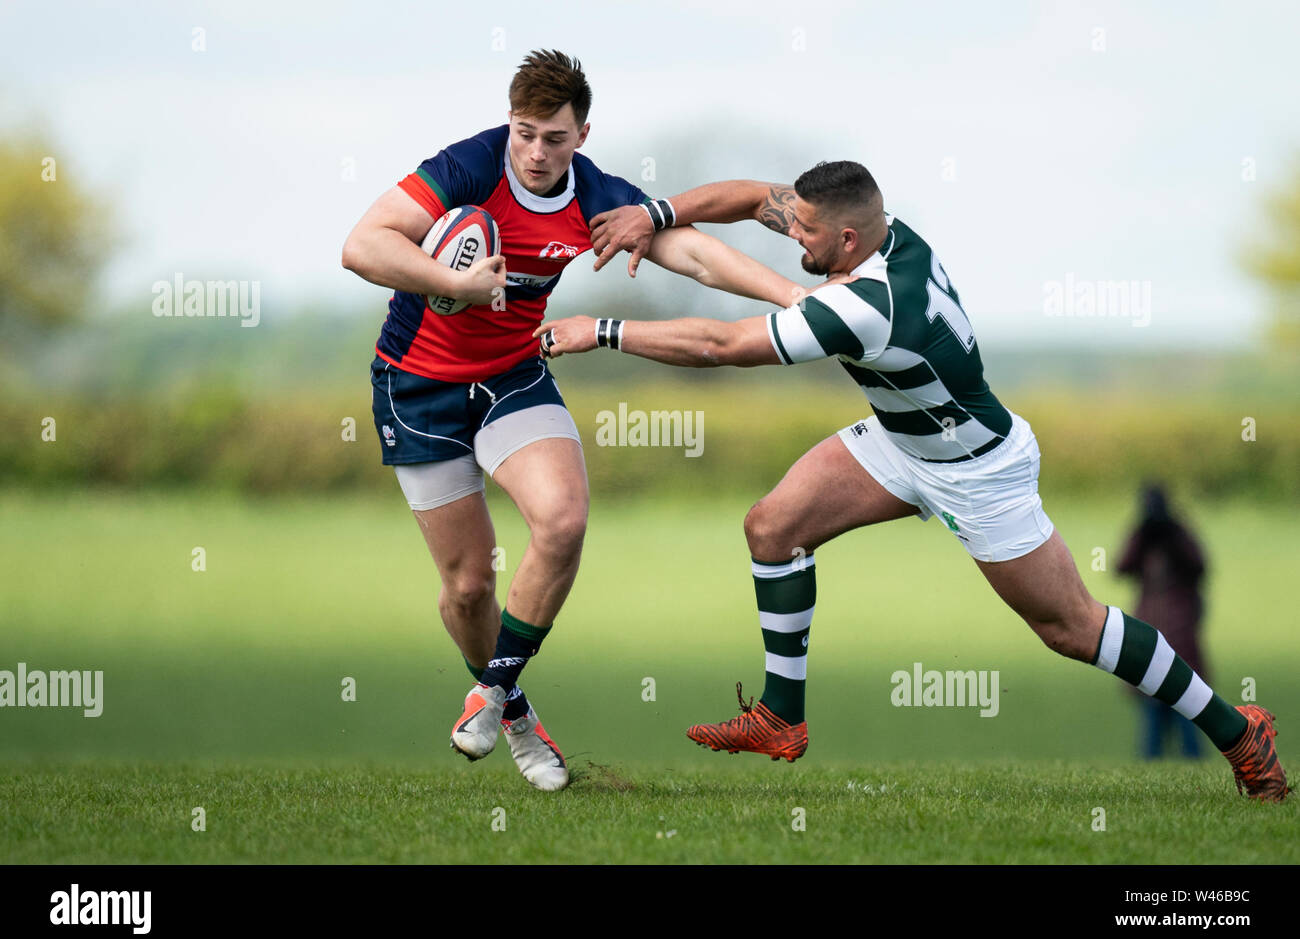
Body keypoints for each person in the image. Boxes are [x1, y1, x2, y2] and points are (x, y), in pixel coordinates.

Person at [537, 161, 1289, 801]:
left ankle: (1236, 731)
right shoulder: (870, 235)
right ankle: (780, 716)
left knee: (1072, 628)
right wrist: (652, 211)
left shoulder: (864, 306)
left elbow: (720, 345)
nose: (790, 234)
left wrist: (598, 330)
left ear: (847, 240)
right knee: (772, 527)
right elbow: (746, 197)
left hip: (977, 470)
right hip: (904, 443)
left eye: (803, 231)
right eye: (792, 221)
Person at [341, 51, 800, 791]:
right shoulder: (467, 167)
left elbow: (696, 257)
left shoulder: (597, 198)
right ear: (510, 122)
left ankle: (489, 694)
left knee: (562, 522)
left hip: (512, 376)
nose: (536, 151)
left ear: (582, 133)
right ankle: (520, 718)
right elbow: (362, 246)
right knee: (466, 588)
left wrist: (792, 298)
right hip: (416, 387)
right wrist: (453, 282)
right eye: (524, 132)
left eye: (554, 137)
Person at [1117, 484, 1209, 759]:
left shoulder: (1178, 535)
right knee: (1155, 712)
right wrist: (1143, 533)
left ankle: (1188, 763)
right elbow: (1122, 566)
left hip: (1178, 632)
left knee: (1185, 704)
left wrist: (1173, 534)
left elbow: (1199, 565)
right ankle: (1156, 762)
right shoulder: (1145, 538)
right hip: (1154, 629)